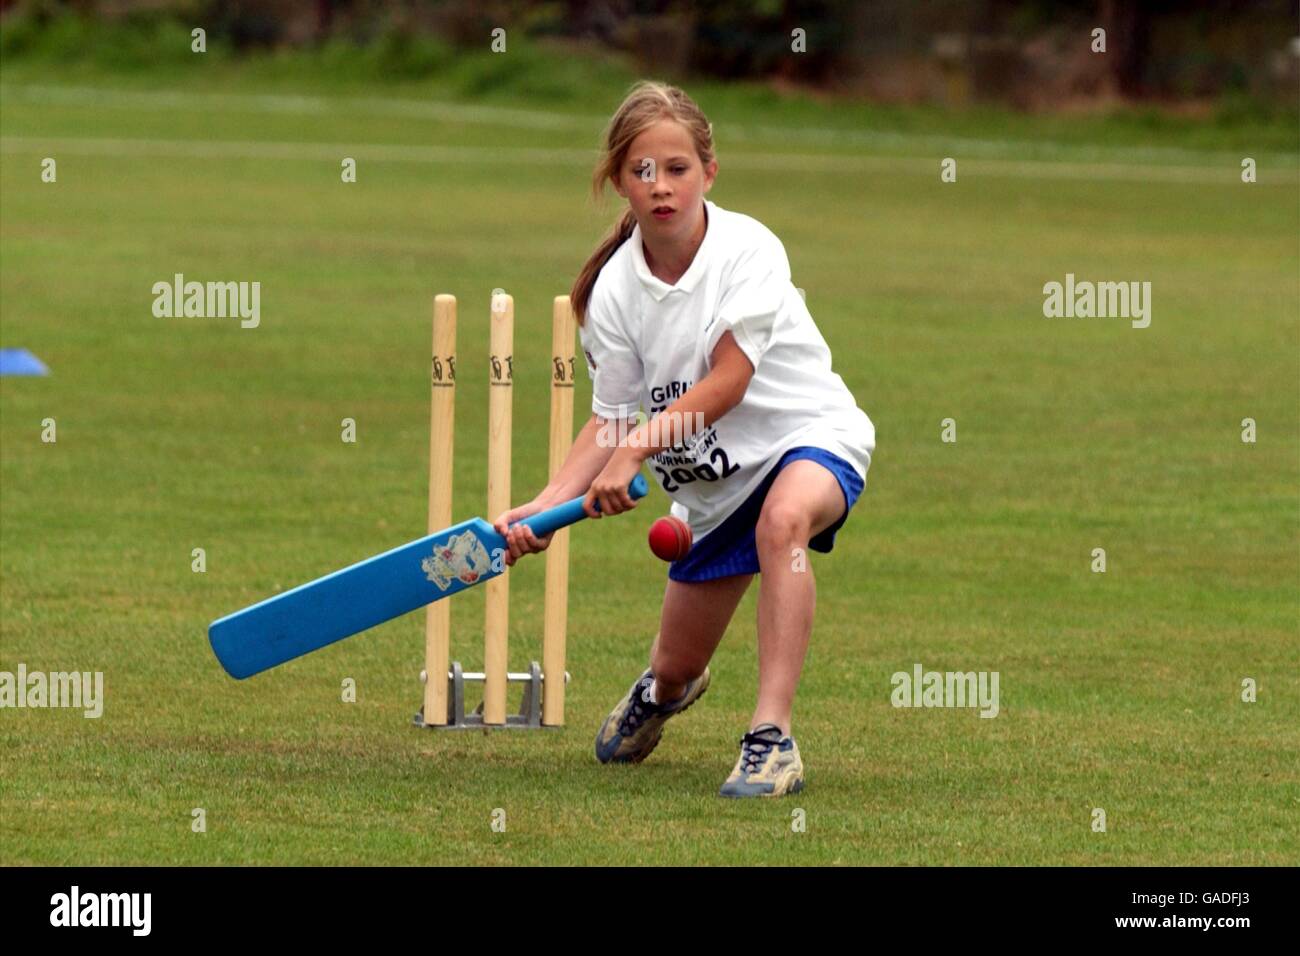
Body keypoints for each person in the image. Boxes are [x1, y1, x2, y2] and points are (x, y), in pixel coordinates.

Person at [492, 80, 874, 798]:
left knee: (783, 521)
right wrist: (541, 508)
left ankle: (772, 739)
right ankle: (667, 691)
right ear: (617, 182)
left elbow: (729, 381)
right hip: (709, 493)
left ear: (708, 172)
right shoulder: (612, 293)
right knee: (674, 666)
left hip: (808, 436)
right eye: (641, 171)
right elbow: (608, 422)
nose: (660, 186)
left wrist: (637, 450)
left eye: (677, 169)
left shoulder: (747, 250)